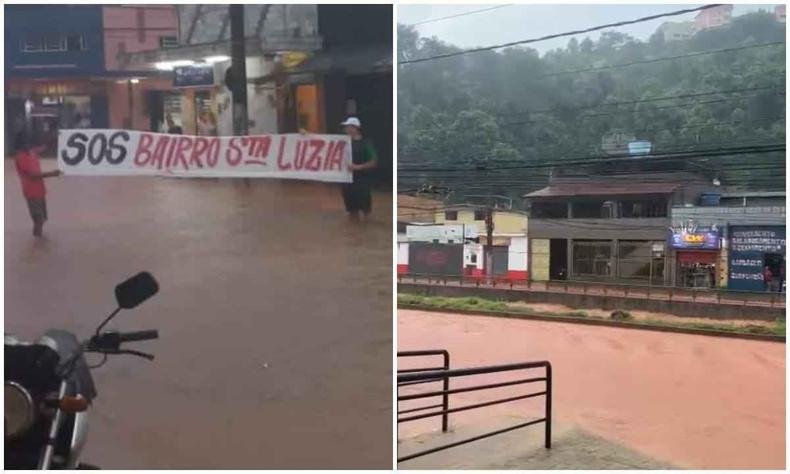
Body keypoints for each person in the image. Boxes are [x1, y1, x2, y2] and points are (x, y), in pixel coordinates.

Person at [14, 132, 62, 237]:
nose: (28, 144)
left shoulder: (31, 152)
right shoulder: (21, 157)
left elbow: (43, 148)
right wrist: (52, 174)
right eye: (25, 142)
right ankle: (37, 243)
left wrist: (56, 138)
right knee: (38, 220)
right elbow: (33, 175)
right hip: (31, 193)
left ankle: (38, 244)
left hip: (40, 192)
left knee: (42, 219)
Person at [340, 117, 378, 221]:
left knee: (366, 211)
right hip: (347, 181)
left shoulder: (366, 143)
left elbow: (373, 162)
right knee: (352, 211)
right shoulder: (343, 142)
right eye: (346, 127)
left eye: (348, 127)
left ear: (355, 128)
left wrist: (358, 167)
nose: (346, 129)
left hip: (362, 181)